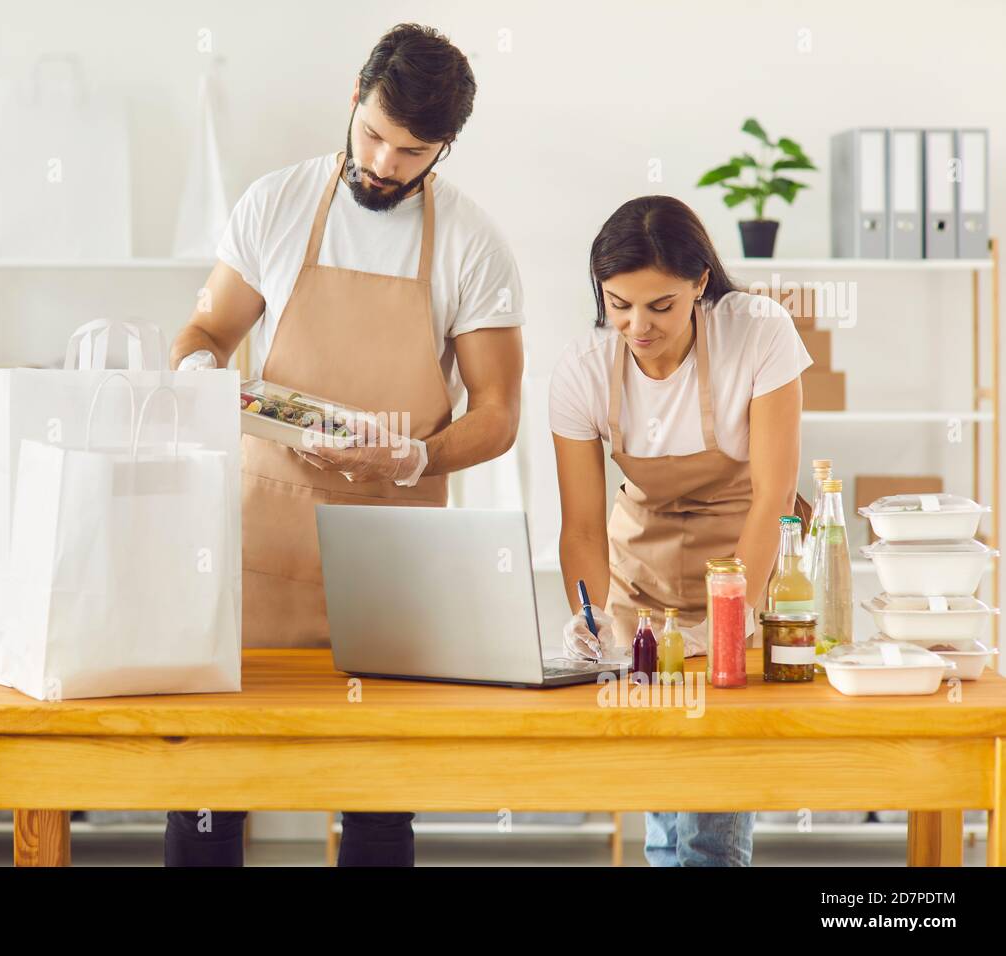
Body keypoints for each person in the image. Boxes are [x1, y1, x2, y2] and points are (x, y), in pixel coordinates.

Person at [166, 23, 524, 866]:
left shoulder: (473, 245)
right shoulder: (276, 204)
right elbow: (209, 330)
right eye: (372, 135)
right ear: (353, 101)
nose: (384, 164)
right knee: (211, 791)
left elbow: (499, 411)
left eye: (411, 151)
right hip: (258, 543)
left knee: (375, 805)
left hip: (392, 557)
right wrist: (193, 378)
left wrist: (416, 458)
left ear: (445, 148)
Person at [550, 196, 812, 866]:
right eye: (618, 304)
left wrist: (732, 624)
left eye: (661, 306)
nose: (638, 325)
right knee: (665, 785)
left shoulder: (759, 332)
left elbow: (773, 498)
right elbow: (580, 526)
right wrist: (595, 617)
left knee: (712, 809)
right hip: (643, 583)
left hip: (744, 570)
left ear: (700, 283)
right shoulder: (581, 370)